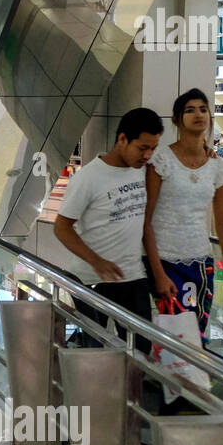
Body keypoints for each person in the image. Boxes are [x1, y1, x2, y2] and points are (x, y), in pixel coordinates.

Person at [52, 107, 164, 347]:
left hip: (133, 276)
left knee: (141, 349)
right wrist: (96, 261)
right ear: (122, 139)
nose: (148, 155)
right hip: (92, 280)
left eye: (153, 148)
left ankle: (131, 386)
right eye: (142, 147)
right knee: (96, 351)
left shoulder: (144, 172)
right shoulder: (88, 178)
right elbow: (61, 227)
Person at [143, 89, 223, 343]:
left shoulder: (217, 166)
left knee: (194, 338)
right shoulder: (160, 160)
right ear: (177, 120)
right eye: (189, 110)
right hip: (164, 261)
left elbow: (222, 222)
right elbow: (146, 218)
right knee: (171, 339)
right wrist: (158, 272)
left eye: (202, 109)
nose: (198, 115)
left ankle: (187, 383)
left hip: (201, 263)